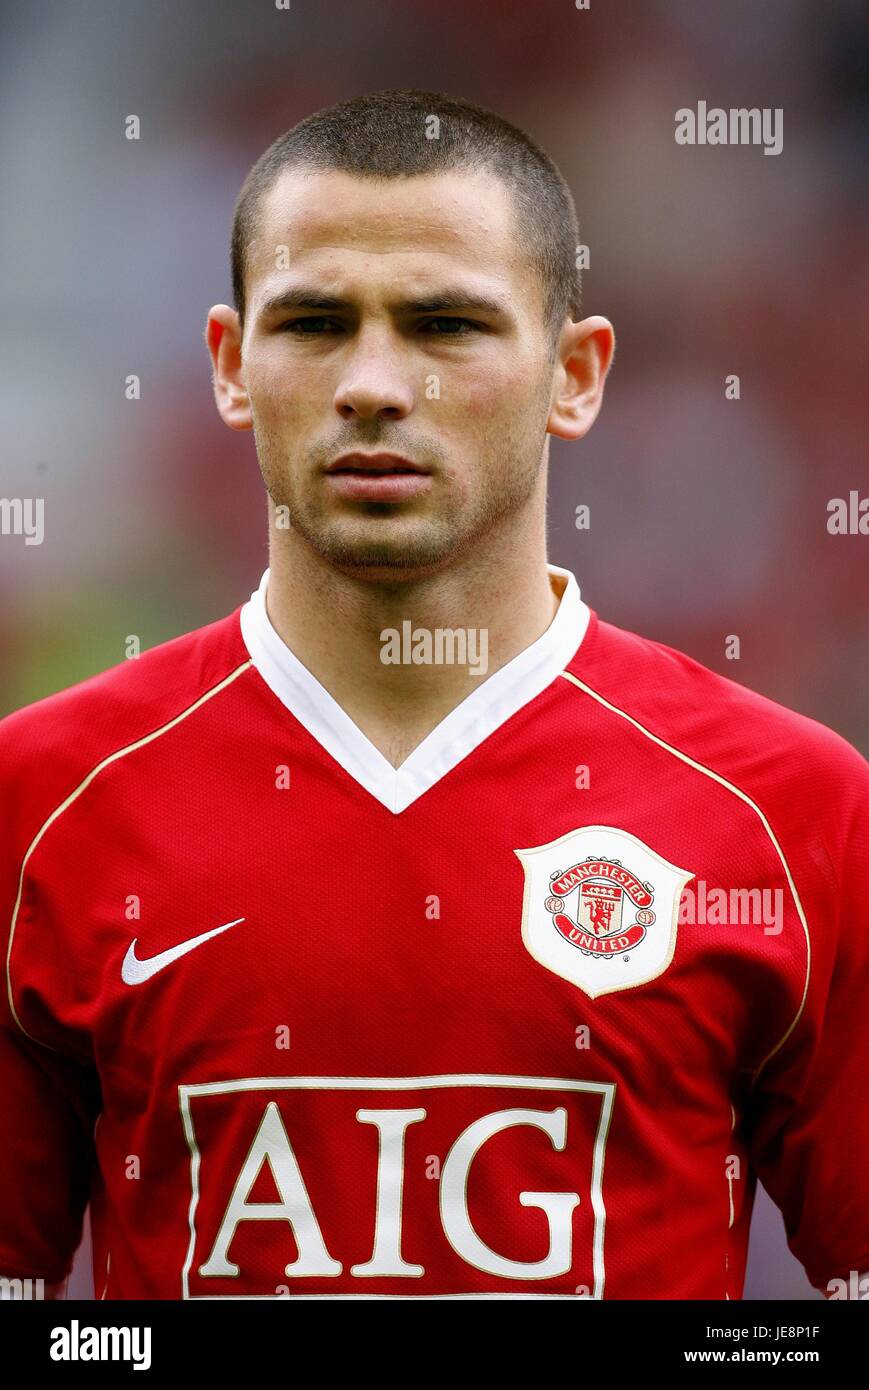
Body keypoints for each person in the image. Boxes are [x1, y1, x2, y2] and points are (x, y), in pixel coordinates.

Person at [1, 89, 866, 1301]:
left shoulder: (791, 805)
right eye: (311, 323)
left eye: (444, 323)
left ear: (573, 373)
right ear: (229, 366)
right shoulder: (39, 798)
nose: (370, 382)